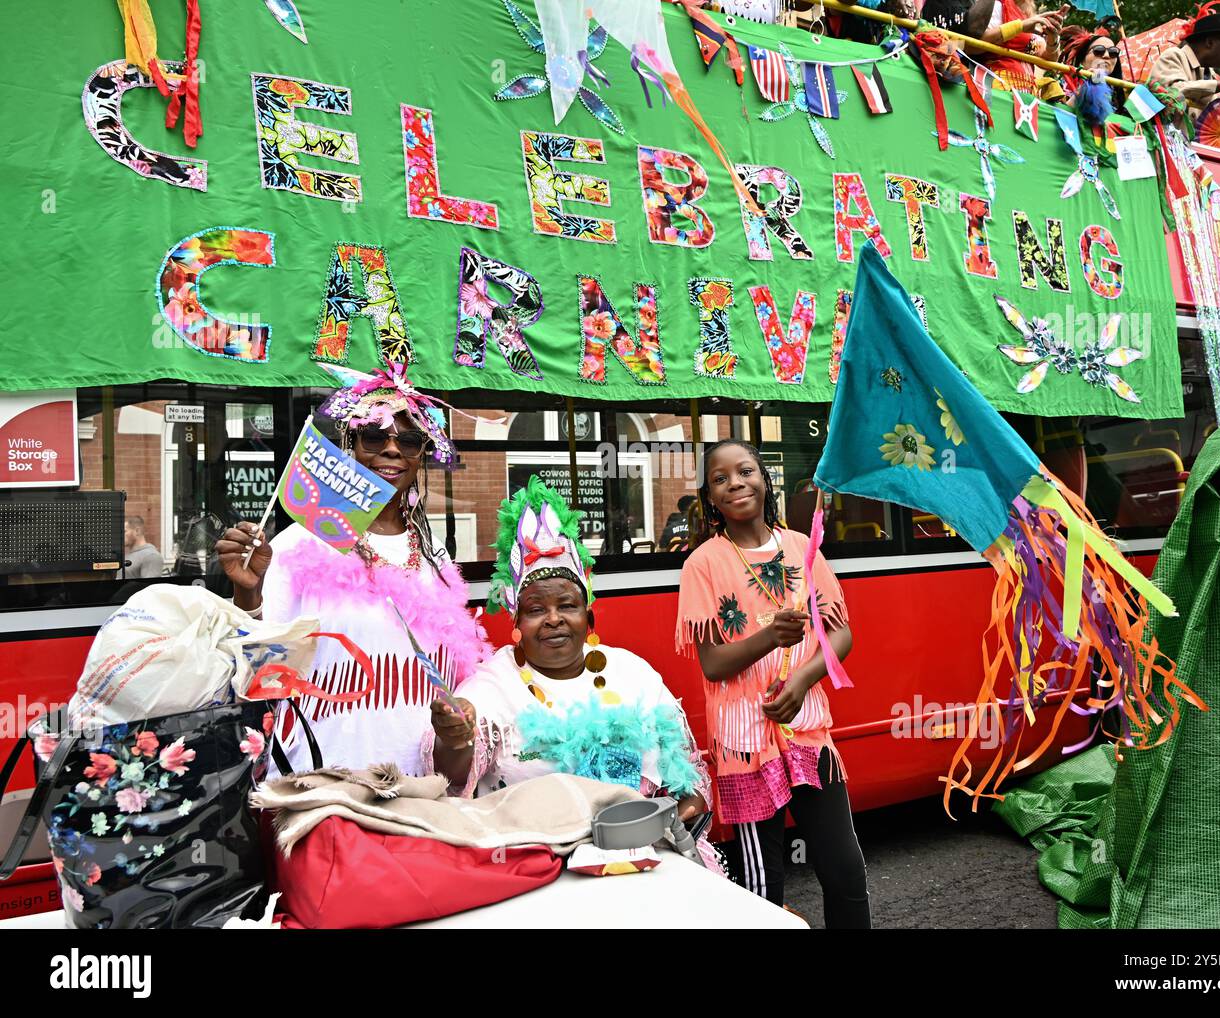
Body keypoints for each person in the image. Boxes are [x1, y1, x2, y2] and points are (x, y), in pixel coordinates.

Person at [215, 361, 491, 775]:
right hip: (329, 782)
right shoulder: (302, 543)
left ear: (421, 457)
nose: (393, 449)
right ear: (351, 444)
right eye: (375, 436)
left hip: (420, 783)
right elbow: (257, 676)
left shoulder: (435, 556)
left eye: (410, 441)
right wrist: (248, 596)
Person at [430, 476, 722, 865]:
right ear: (517, 621)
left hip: (647, 858)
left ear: (589, 616)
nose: (553, 619)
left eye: (567, 606)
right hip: (533, 866)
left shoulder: (634, 674)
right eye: (535, 609)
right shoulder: (494, 684)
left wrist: (664, 826)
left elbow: (690, 780)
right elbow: (452, 777)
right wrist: (455, 738)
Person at [675, 439, 869, 927]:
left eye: (745, 472)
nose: (735, 483)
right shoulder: (702, 564)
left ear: (765, 479)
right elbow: (714, 665)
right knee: (763, 888)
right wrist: (769, 636)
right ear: (711, 498)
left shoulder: (802, 547)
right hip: (745, 748)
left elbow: (840, 635)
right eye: (720, 479)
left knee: (844, 869)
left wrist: (803, 680)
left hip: (807, 734)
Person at [967, 0, 1067, 94]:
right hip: (997, 89)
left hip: (1027, 98)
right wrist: (1021, 26)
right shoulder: (996, 5)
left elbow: (1049, 61)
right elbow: (972, 47)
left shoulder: (1028, 14)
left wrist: (1053, 38)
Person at [1047, 25, 1124, 110]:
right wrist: (1086, 88)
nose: (1106, 55)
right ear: (1081, 60)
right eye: (1098, 51)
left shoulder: (1122, 92)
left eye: (1113, 52)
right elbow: (1056, 115)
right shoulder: (1057, 83)